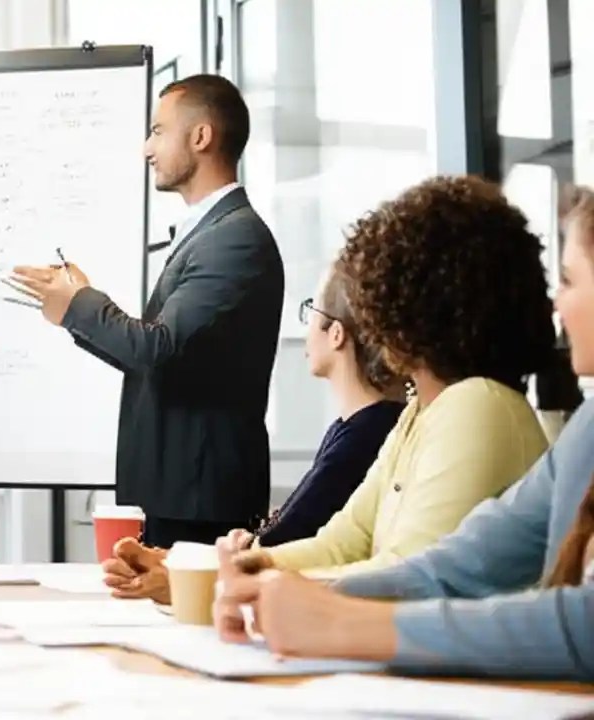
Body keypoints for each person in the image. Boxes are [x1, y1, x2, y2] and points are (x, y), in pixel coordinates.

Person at [106, 175, 555, 599]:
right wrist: (202, 572)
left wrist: (215, 584)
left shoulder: (477, 406)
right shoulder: (420, 414)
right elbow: (340, 545)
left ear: (418, 304)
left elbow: (404, 577)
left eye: (383, 294)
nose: (371, 319)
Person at [211, 184, 594, 681]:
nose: (555, 305)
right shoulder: (584, 426)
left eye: (568, 280)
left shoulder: (479, 405)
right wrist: (279, 586)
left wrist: (340, 619)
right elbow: (462, 561)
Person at [10, 74, 284, 548]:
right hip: (179, 494)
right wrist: (73, 305)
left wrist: (78, 304)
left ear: (200, 137)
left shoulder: (233, 237)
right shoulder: (212, 231)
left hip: (199, 500)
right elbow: (158, 358)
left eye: (158, 131)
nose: (146, 148)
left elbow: (156, 347)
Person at [255, 268, 405, 546]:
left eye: (312, 312)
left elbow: (282, 541)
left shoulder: (363, 439)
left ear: (336, 334)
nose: (305, 331)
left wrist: (245, 544)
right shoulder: (359, 425)